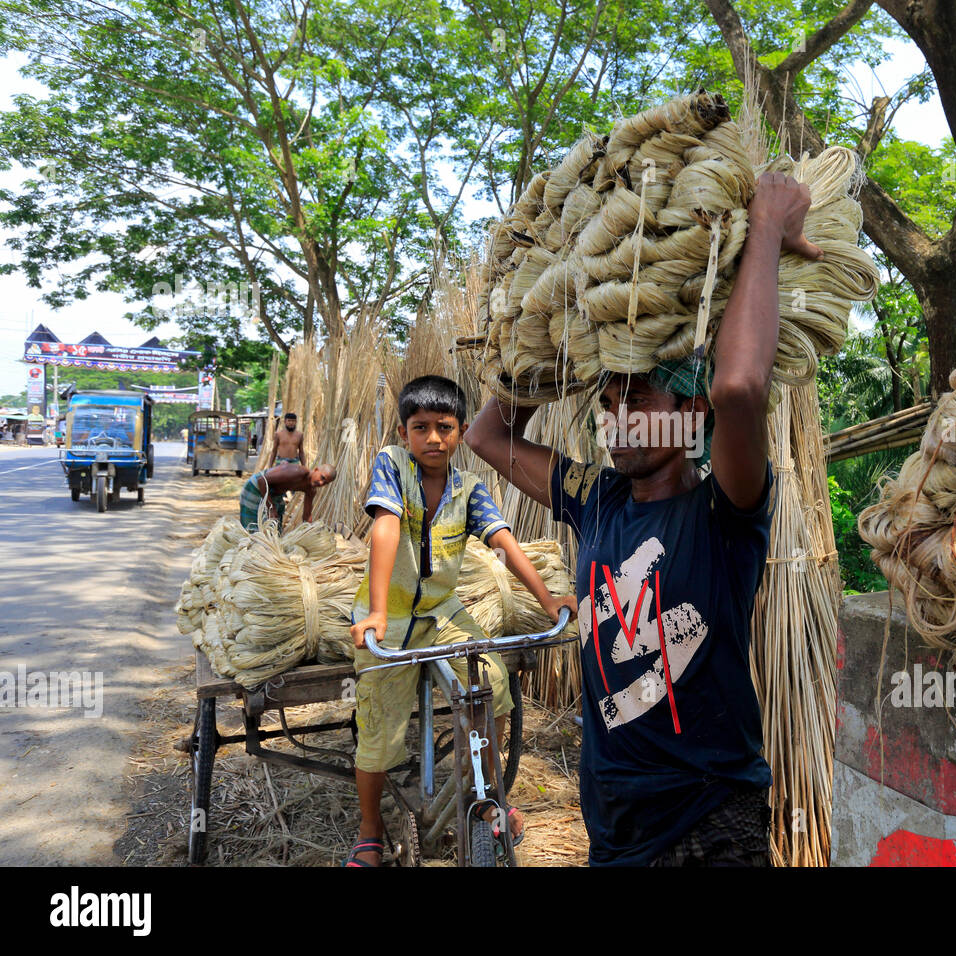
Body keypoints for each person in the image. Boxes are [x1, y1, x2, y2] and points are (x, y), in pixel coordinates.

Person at [465, 172, 824, 866]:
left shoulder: (725, 511)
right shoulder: (595, 497)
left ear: (692, 414)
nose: (618, 417)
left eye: (640, 397)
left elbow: (740, 387)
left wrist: (770, 230)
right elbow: (488, 438)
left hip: (709, 819)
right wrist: (544, 333)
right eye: (608, 399)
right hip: (612, 815)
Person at [343, 374, 578, 868]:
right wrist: (380, 611)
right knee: (379, 728)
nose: (433, 438)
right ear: (405, 432)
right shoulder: (392, 466)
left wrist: (548, 597)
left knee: (491, 684)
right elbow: (384, 529)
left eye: (444, 428)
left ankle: (493, 797)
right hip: (391, 617)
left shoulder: (467, 486)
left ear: (461, 430)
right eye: (421, 427)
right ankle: (368, 832)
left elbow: (504, 541)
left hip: (444, 612)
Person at [238, 461, 336, 531]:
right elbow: (261, 480)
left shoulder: (311, 490)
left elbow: (307, 515)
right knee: (252, 528)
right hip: (256, 488)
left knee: (274, 530)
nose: (321, 483)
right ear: (316, 470)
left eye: (325, 483)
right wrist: (271, 509)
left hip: (273, 494)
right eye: (322, 477)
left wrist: (309, 531)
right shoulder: (298, 472)